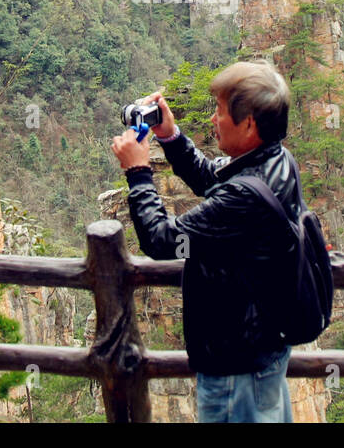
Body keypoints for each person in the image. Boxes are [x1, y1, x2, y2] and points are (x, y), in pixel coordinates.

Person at [110, 60, 305, 423]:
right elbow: (210, 179)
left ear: (248, 123)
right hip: (265, 348)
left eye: (219, 112)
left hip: (235, 367)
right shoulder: (276, 160)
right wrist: (169, 136)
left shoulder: (244, 197)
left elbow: (162, 240)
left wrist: (138, 173)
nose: (213, 120)